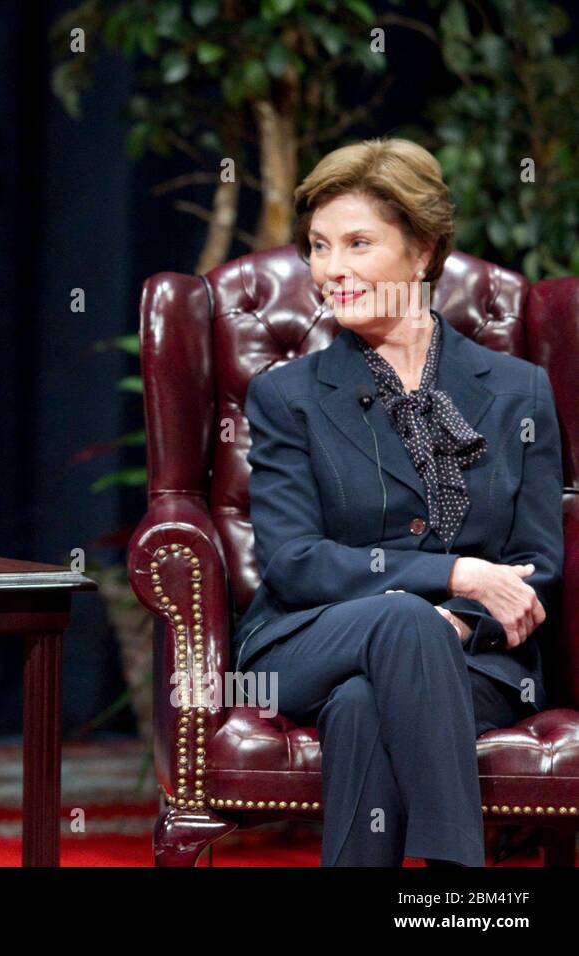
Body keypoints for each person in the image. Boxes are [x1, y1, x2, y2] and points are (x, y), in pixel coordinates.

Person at [232, 138, 562, 867]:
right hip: (305, 641)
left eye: (357, 243)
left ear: (422, 252)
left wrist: (464, 617)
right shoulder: (287, 397)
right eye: (319, 247)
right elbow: (294, 563)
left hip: (477, 660)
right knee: (403, 622)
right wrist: (452, 577)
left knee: (360, 708)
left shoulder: (516, 392)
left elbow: (538, 563)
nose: (331, 270)